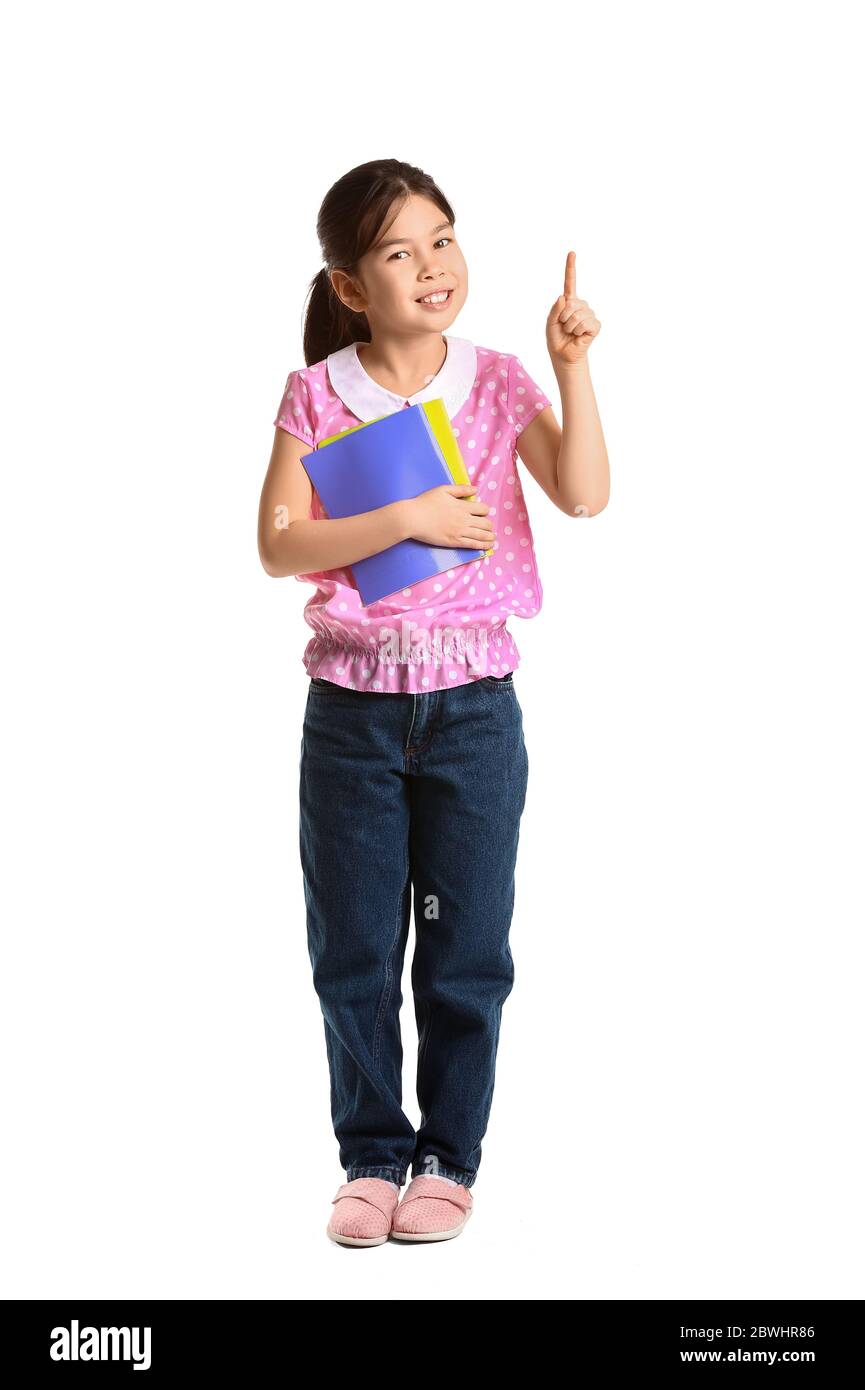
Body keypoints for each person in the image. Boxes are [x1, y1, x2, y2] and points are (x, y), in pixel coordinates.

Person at [258, 158, 609, 1246]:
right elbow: (278, 545)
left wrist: (572, 367)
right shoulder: (317, 391)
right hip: (353, 715)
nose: (432, 265)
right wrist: (407, 514)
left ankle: (447, 1160)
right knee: (354, 945)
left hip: (471, 710)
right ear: (353, 286)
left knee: (465, 950)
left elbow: (584, 493)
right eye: (399, 250)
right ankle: (370, 1155)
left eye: (442, 238)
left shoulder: (501, 379)